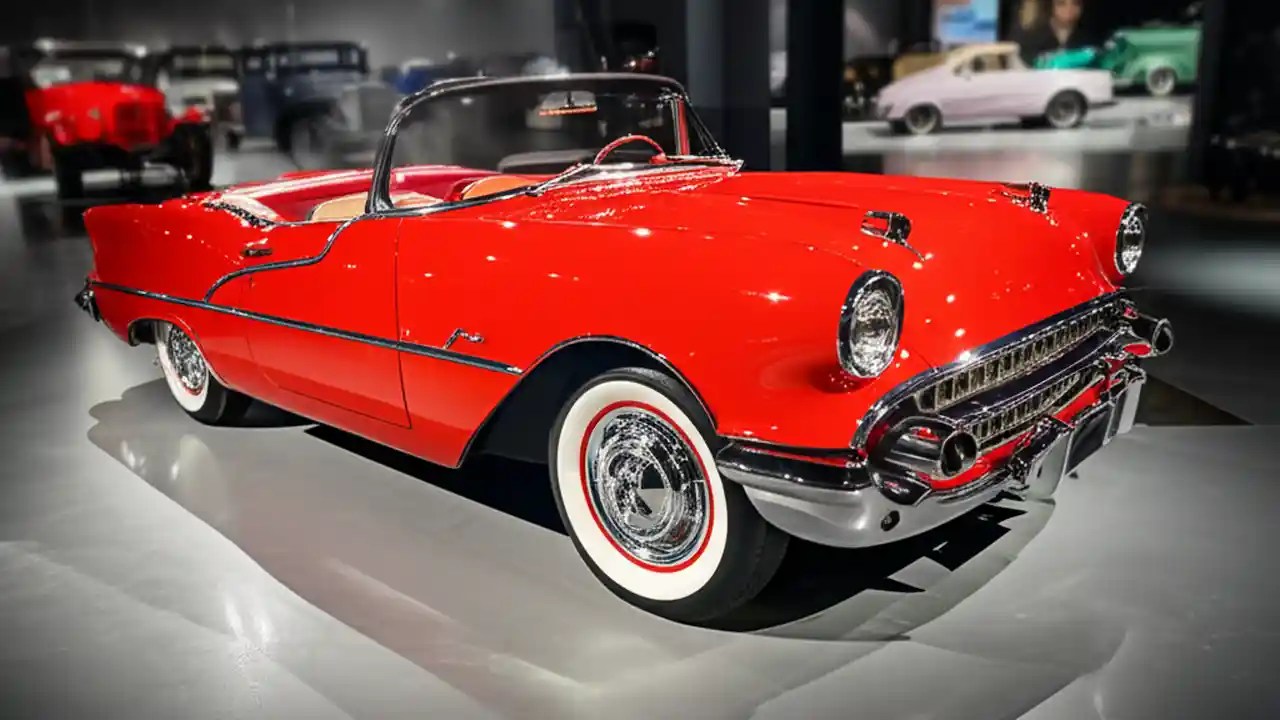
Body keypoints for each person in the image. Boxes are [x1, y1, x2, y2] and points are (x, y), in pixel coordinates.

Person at [1011, 0, 1096, 65]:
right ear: (1051, 6)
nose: (1069, 9)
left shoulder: (1089, 38)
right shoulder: (1033, 36)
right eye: (1061, 4)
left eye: (1076, 4)